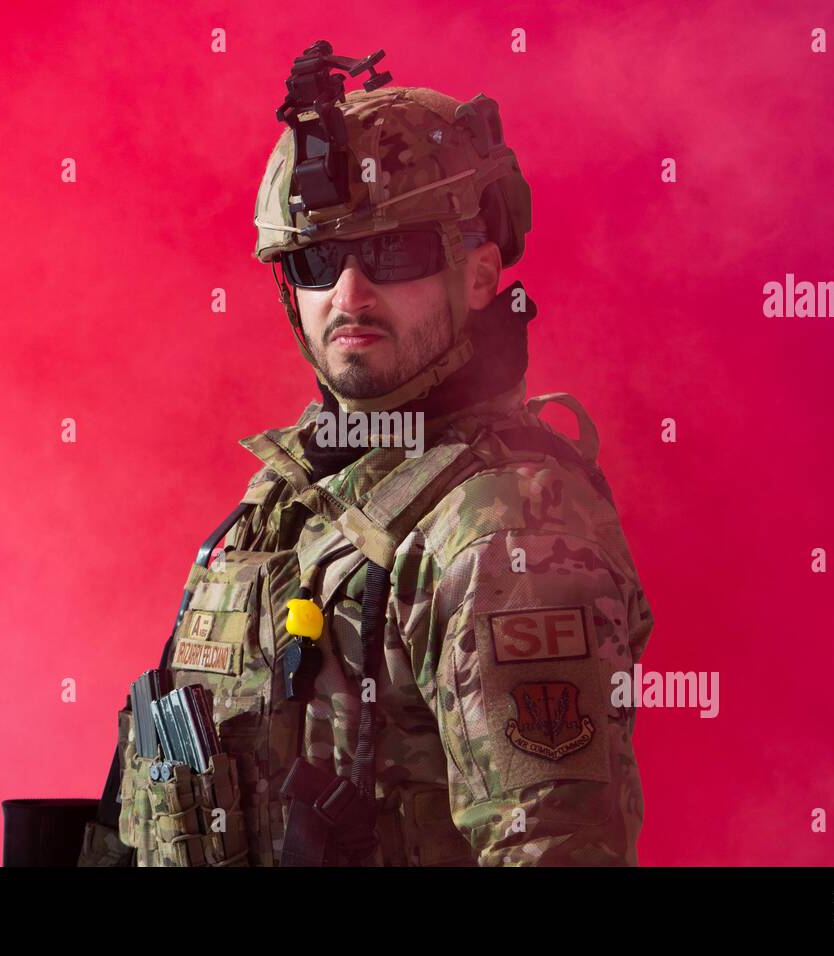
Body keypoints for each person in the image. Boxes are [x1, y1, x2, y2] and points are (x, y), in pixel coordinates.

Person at [76, 40, 654, 868]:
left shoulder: (504, 528)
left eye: (393, 253)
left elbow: (555, 852)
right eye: (316, 260)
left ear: (482, 272)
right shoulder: (294, 493)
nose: (348, 295)